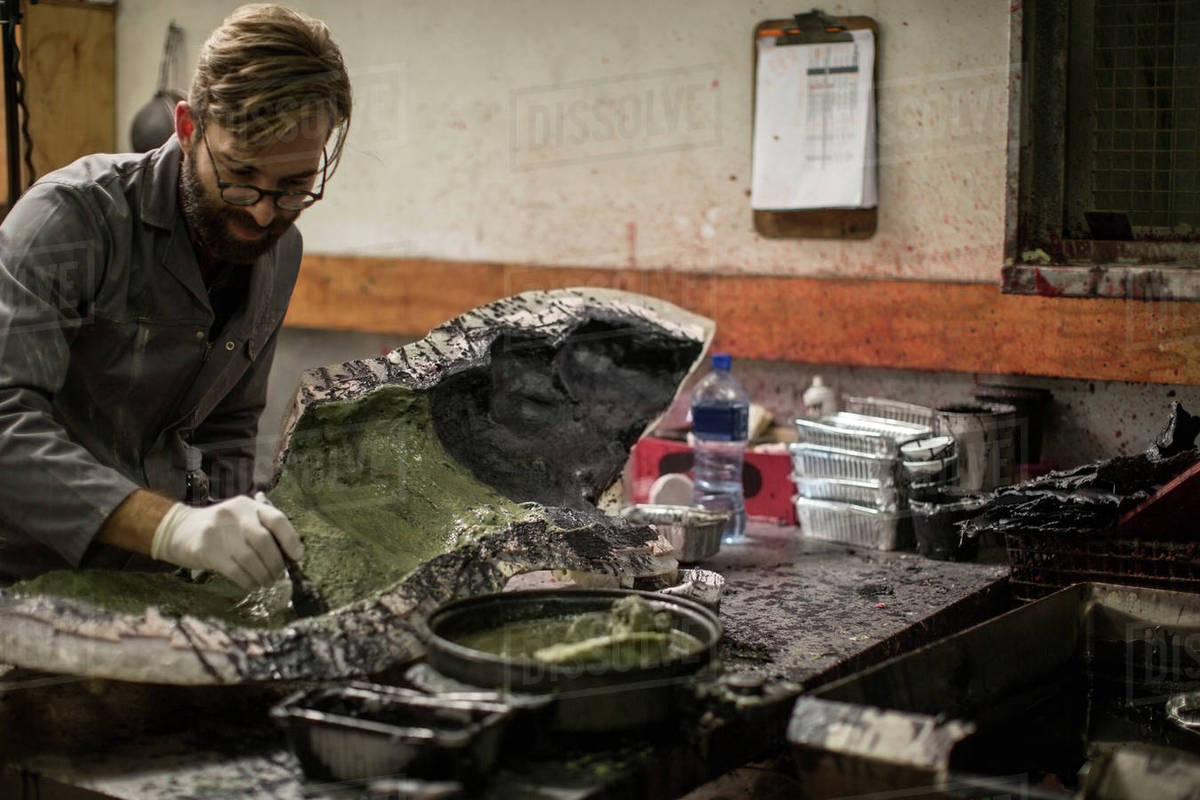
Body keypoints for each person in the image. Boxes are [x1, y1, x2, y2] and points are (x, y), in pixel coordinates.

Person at [0, 5, 352, 590]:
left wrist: (234, 537)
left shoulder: (279, 252)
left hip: (151, 585)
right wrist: (171, 529)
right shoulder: (70, 221)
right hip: (21, 582)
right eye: (240, 175)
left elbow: (230, 425)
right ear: (188, 128)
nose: (262, 211)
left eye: (293, 187)